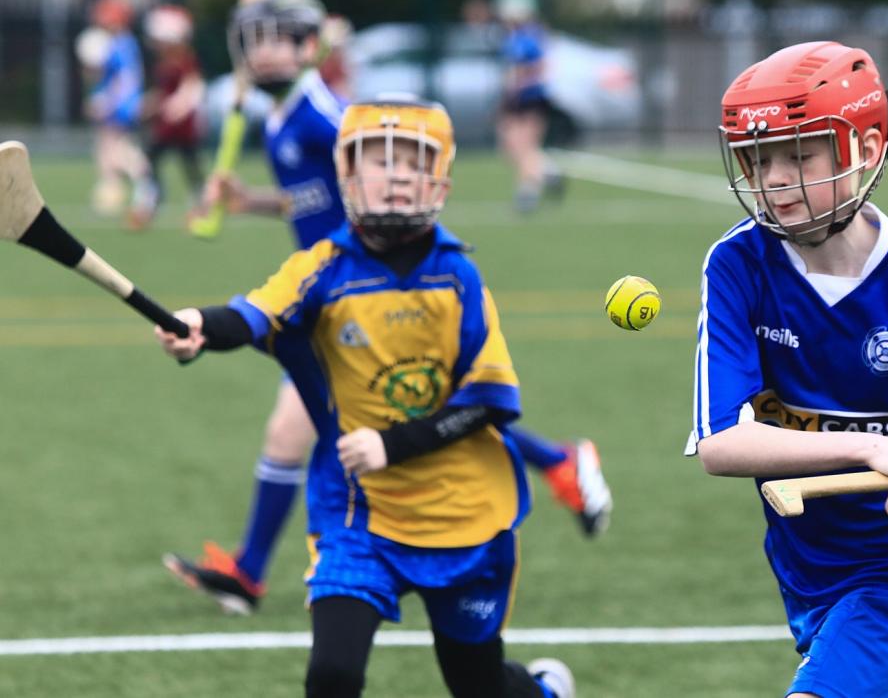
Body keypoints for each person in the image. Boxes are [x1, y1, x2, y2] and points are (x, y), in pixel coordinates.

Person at [165, 0, 610, 617]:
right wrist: (250, 201)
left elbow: (379, 188)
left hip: (360, 294)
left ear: (308, 48)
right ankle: (249, 571)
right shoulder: (278, 120)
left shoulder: (324, 118)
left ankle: (559, 461)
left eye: (279, 39)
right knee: (305, 429)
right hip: (320, 296)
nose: (264, 52)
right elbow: (314, 199)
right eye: (255, 40)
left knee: (393, 414)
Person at [155, 93, 575, 698]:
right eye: (380, 160)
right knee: (333, 675)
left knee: (477, 686)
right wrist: (200, 325)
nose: (397, 175)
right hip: (359, 517)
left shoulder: (459, 277)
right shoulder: (321, 268)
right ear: (348, 173)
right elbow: (253, 314)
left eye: (413, 162)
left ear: (440, 179)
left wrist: (392, 444)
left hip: (464, 516)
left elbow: (489, 400)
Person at [688, 41, 888, 697]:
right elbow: (721, 445)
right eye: (757, 159)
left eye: (799, 155)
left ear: (865, 149)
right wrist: (870, 448)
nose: (773, 179)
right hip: (803, 570)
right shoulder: (737, 266)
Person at [82, 0, 156, 227]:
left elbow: (123, 81)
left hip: (122, 106)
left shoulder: (121, 44)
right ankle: (114, 189)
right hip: (121, 104)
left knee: (119, 149)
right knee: (109, 148)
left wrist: (107, 103)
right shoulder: (122, 42)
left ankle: (143, 186)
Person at [134, 4, 205, 229]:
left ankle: (200, 204)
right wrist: (150, 103)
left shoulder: (185, 61)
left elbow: (193, 87)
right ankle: (151, 198)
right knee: (150, 159)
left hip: (183, 126)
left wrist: (179, 106)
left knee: (191, 166)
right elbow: (163, 92)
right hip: (164, 126)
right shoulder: (163, 63)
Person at [494, 0, 564, 213]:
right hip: (517, 98)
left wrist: (517, 87)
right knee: (510, 147)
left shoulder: (528, 36)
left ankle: (527, 192)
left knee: (525, 147)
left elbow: (535, 68)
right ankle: (550, 171)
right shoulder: (513, 37)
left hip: (529, 98)